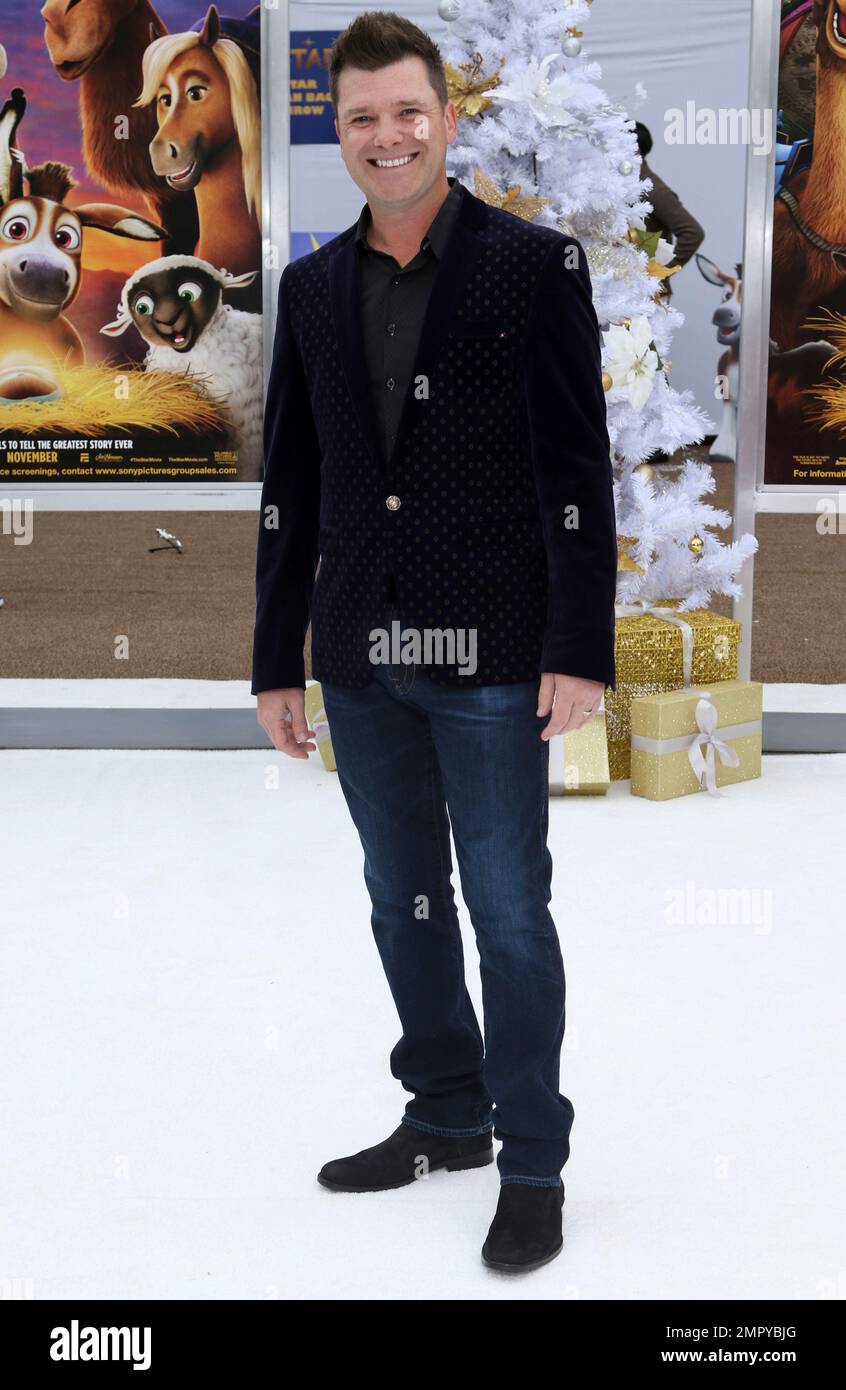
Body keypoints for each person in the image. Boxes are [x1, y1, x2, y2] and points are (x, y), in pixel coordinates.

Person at [252, 10, 618, 1274]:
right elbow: (292, 483)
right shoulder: (306, 288)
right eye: (362, 118)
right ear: (338, 135)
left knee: (509, 911)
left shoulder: (533, 267)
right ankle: (447, 1112)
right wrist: (271, 658)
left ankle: (531, 1158)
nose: (388, 135)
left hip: (498, 655)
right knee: (402, 906)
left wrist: (582, 646)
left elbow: (577, 465)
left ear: (447, 120)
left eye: (408, 111)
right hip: (362, 655)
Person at [635, 121, 705, 298]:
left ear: (634, 150)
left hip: (647, 298)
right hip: (626, 294)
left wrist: (660, 273)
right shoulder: (625, 186)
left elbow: (693, 232)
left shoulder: (651, 188)